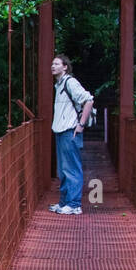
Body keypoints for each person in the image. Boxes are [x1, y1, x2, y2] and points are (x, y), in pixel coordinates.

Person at [48, 54, 93, 215]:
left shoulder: (70, 83)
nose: (53, 66)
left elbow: (89, 100)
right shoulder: (58, 85)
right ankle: (64, 202)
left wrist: (80, 125)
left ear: (65, 67)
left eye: (57, 64)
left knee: (71, 168)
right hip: (60, 131)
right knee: (62, 169)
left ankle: (74, 204)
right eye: (52, 64)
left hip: (69, 131)